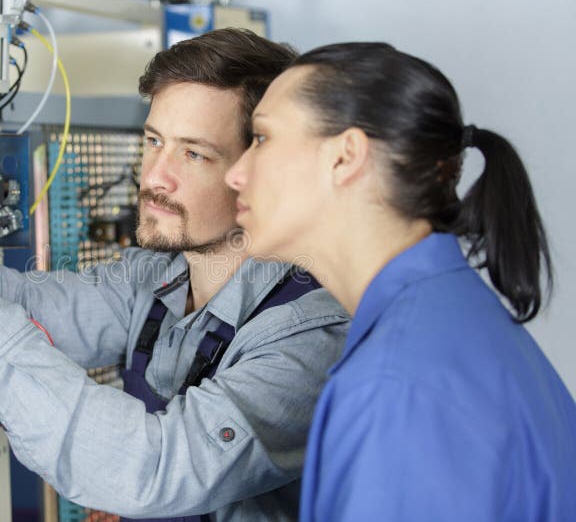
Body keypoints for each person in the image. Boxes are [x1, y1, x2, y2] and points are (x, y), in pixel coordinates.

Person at [0, 29, 350, 520]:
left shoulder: (309, 336)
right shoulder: (153, 277)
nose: (154, 176)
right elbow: (26, 306)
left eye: (193, 153)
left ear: (259, 171)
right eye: (154, 141)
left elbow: (153, 471)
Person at [225, 42, 576, 521]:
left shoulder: (397, 387)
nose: (235, 173)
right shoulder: (448, 319)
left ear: (346, 157)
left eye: (262, 138)